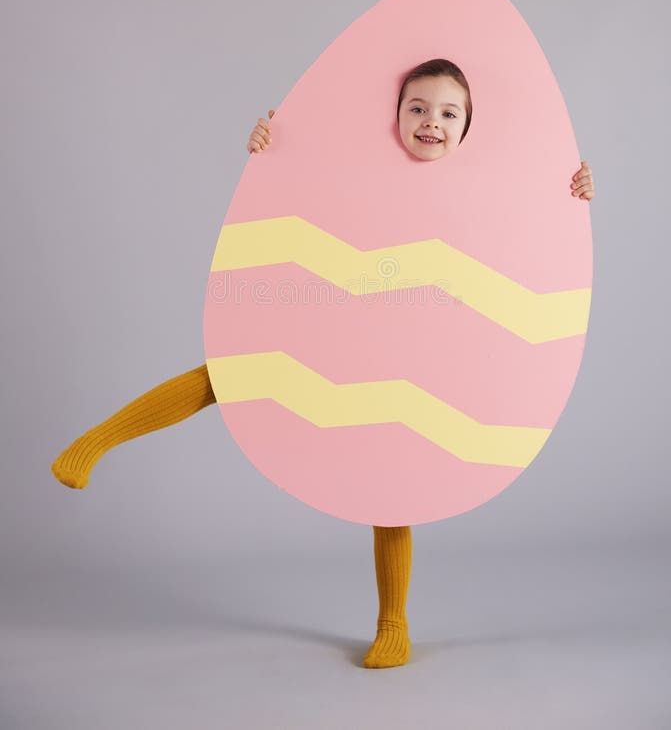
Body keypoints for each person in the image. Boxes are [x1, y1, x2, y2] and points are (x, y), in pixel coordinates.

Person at [51, 58, 595, 669]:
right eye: (416, 107)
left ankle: (394, 623)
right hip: (343, 312)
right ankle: (94, 442)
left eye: (449, 113)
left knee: (395, 486)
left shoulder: (483, 187)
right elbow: (304, 191)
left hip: (419, 341)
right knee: (232, 371)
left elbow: (525, 229)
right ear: (394, 115)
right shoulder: (360, 163)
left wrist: (567, 193)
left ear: (469, 127)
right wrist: (270, 151)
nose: (431, 122)